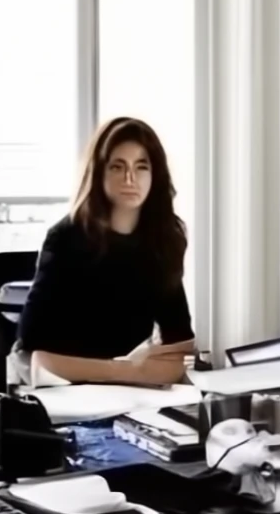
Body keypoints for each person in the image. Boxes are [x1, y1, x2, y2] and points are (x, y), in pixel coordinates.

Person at [14, 117, 195, 386]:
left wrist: (143, 369)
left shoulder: (164, 239)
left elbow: (178, 336)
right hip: (63, 379)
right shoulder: (66, 237)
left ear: (155, 175)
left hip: (125, 386)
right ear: (99, 173)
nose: (130, 178)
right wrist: (130, 372)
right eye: (117, 167)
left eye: (141, 167)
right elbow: (33, 345)